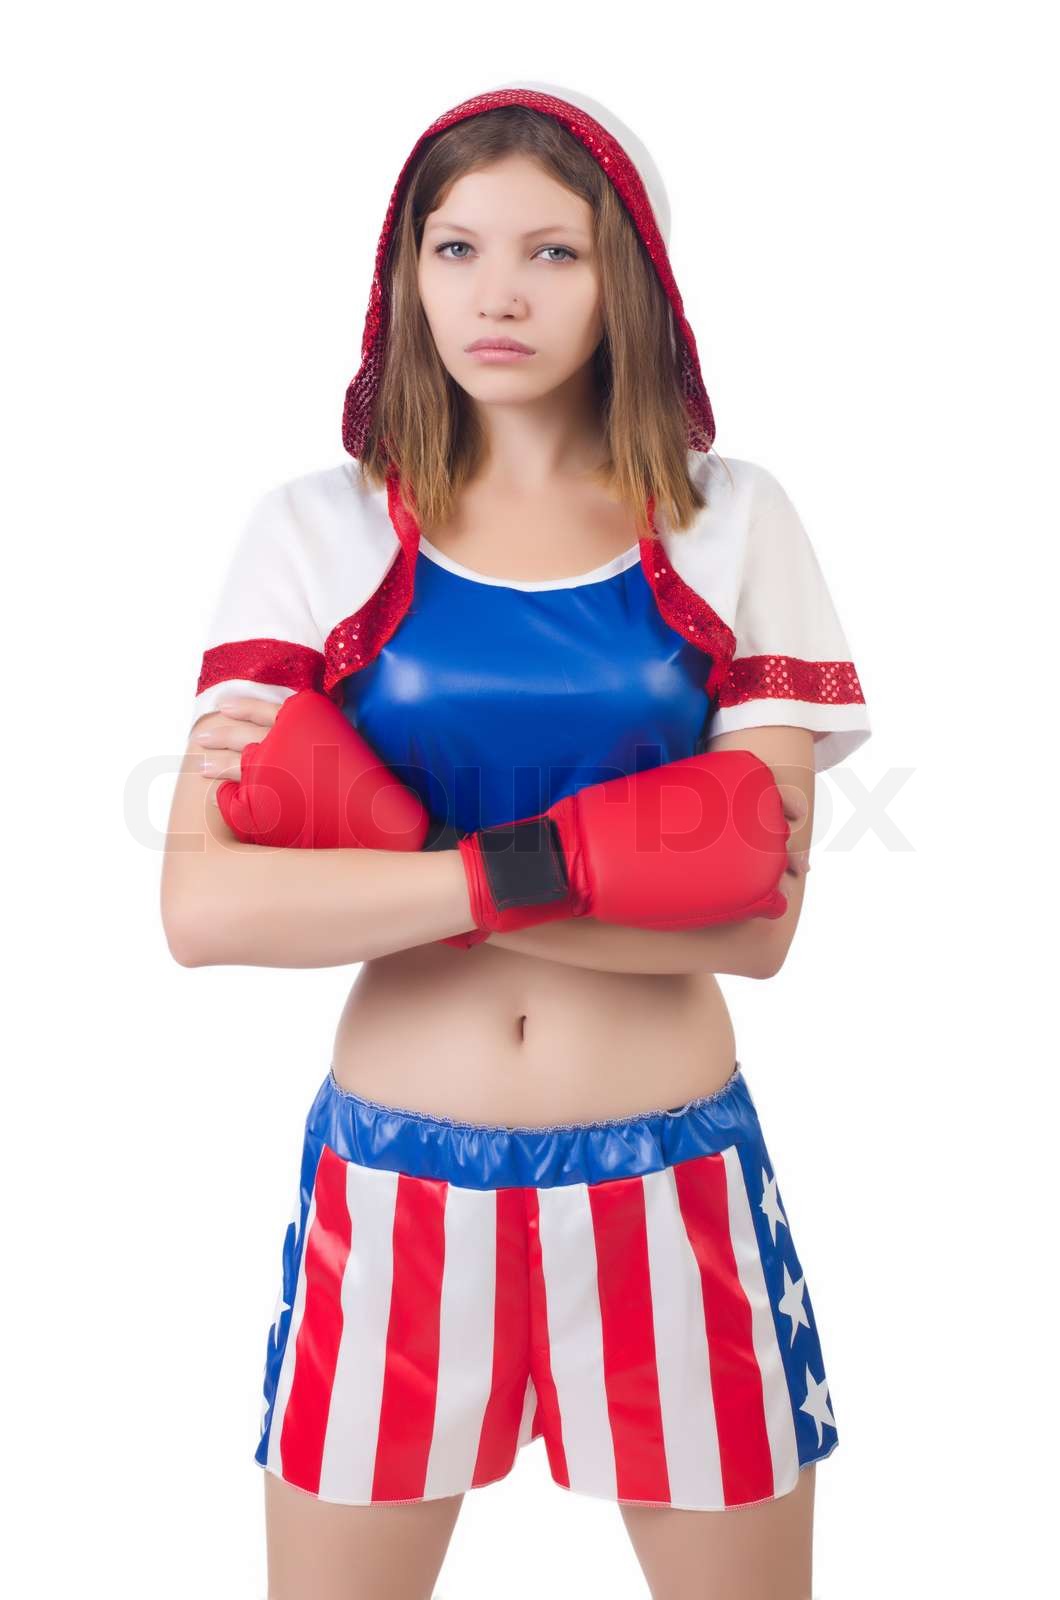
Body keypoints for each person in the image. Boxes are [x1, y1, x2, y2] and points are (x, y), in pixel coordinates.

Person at [162, 80, 872, 1600]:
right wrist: (596, 863)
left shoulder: (735, 524)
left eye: (554, 254)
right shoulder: (315, 532)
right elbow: (203, 907)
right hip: (392, 1185)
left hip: (672, 1182)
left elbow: (758, 923)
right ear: (403, 274)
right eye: (457, 247)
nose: (499, 294)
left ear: (634, 278)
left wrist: (394, 875)